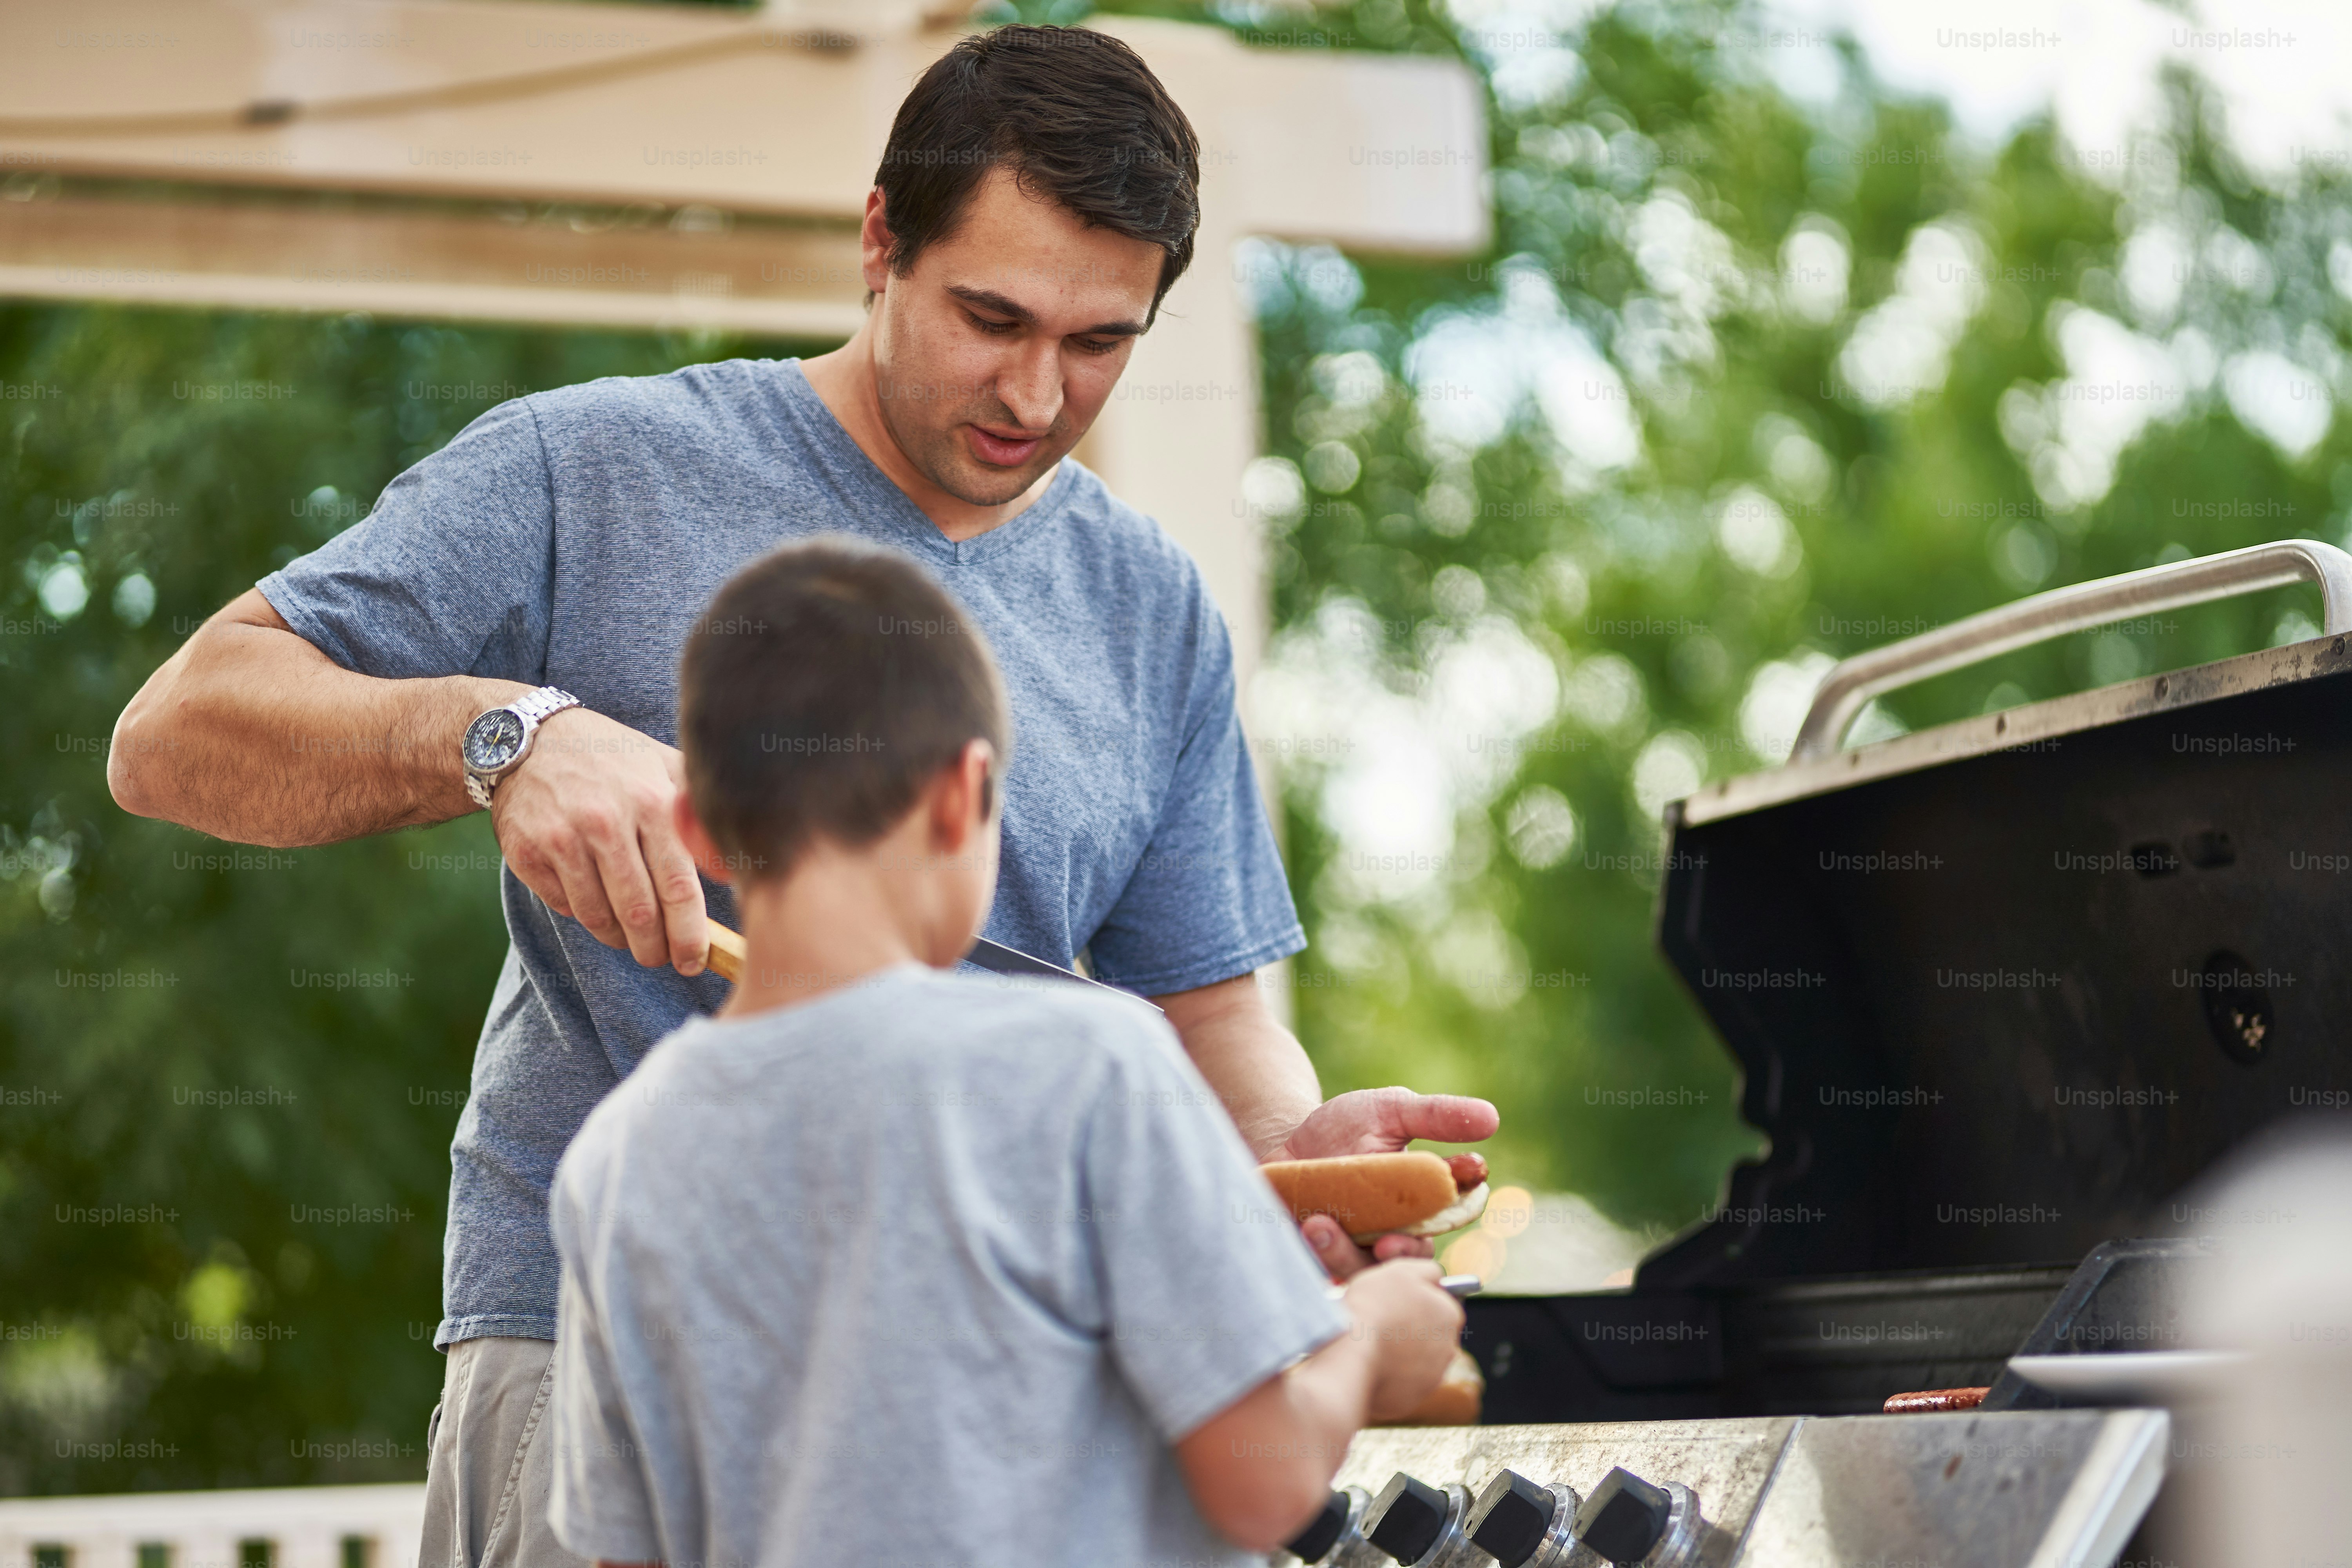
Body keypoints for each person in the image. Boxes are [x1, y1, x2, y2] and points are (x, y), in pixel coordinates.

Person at [107, 22, 1496, 1568]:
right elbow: (171, 734)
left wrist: (1295, 1150)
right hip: (615, 1363)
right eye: (992, 314)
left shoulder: (1150, 603)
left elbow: (1207, 1014)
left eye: (1100, 341)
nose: (1035, 392)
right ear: (880, 241)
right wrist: (505, 735)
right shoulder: (592, 468)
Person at [547, 538, 1464, 1568]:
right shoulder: (1091, 1063)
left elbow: (627, 1555)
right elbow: (1263, 1479)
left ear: (697, 833)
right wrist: (1376, 1340)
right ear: (963, 796)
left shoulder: (617, 1157)